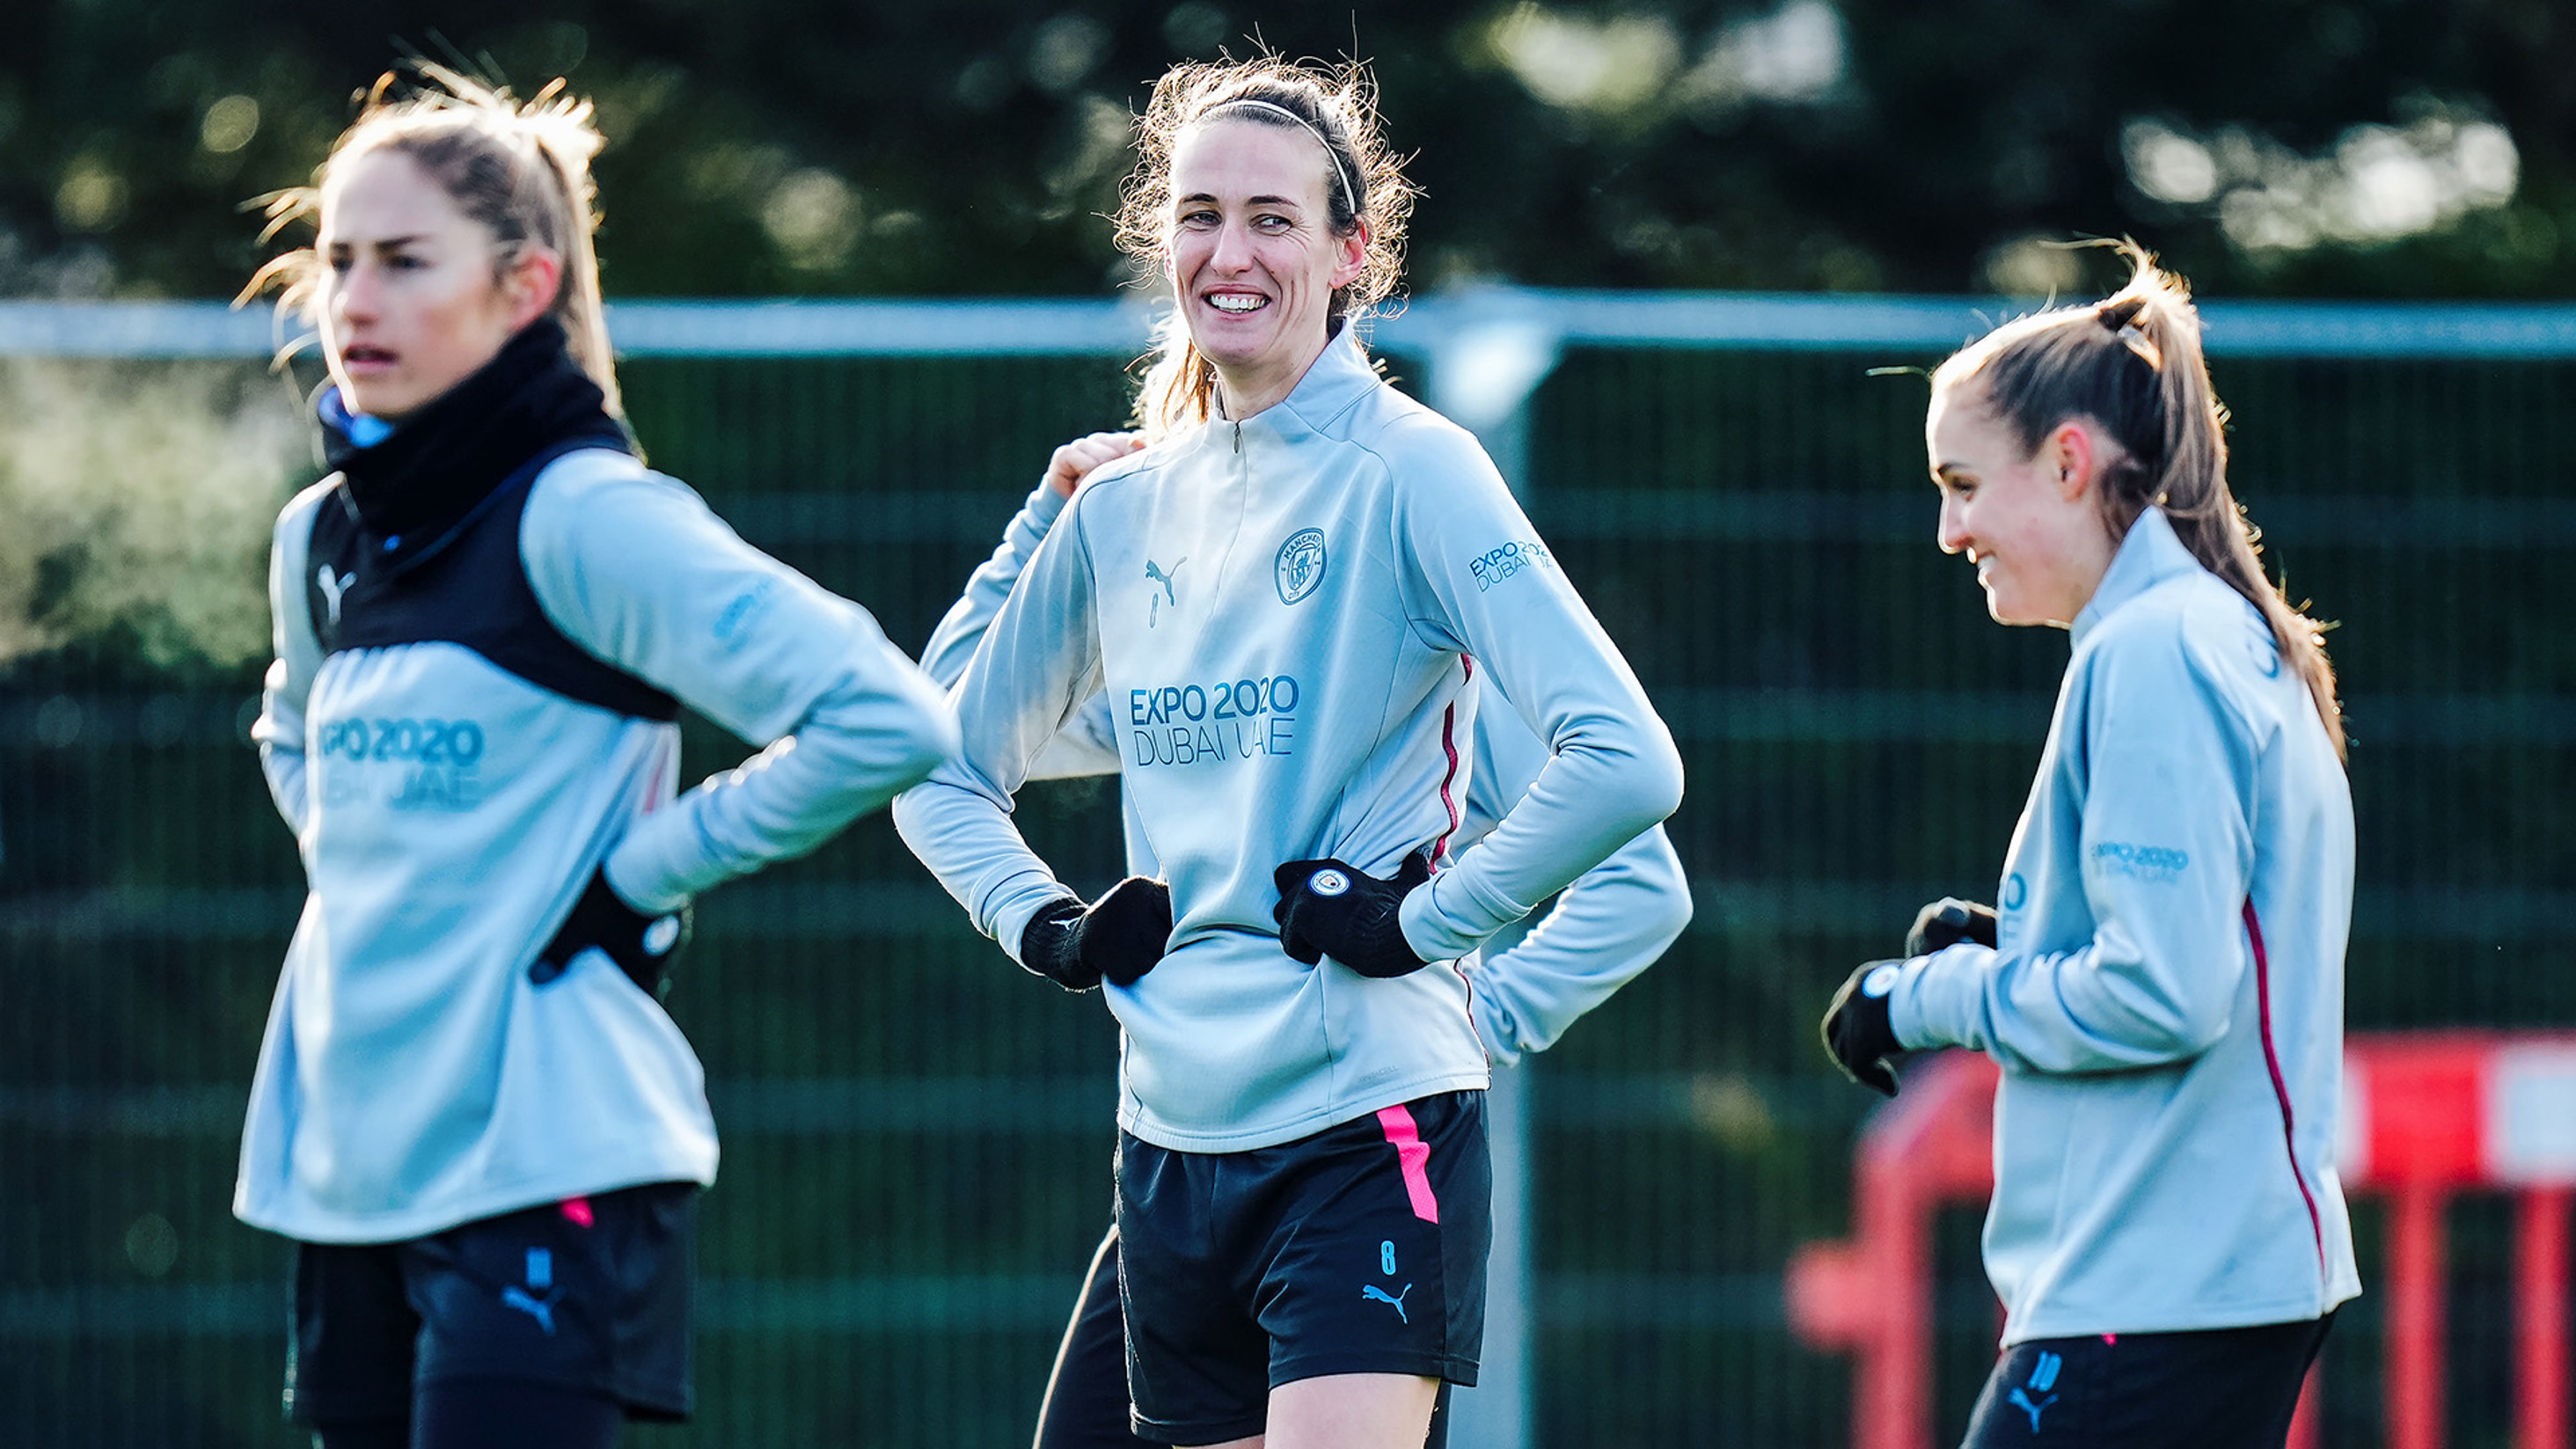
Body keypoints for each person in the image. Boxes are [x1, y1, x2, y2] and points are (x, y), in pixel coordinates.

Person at [893, 55, 1685, 1449]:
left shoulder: (1413, 469)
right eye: (1199, 216)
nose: (1230, 251)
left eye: (1272, 217)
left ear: (1349, 250)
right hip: (1169, 1142)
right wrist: (1052, 930)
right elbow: (936, 758)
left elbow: (1625, 763)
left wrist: (1420, 932)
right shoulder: (1126, 508)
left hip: (1361, 1131)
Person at [234, 67, 958, 1449]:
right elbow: (290, 728)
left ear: (523, 286)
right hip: (346, 1163)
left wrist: (640, 872)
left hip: (546, 1155)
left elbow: (885, 718)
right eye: (336, 261)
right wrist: (384, 881)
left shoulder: (587, 518)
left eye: (402, 262)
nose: (354, 301)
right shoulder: (318, 536)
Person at [1819, 244, 2359, 1449]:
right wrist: (2020, 943)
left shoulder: (2155, 649)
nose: (1950, 531)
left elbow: (2164, 993)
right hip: (2206, 1278)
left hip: (2159, 1285)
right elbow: (2206, 938)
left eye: (1963, 483)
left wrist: (1927, 997)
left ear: (2069, 463)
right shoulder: (2206, 632)